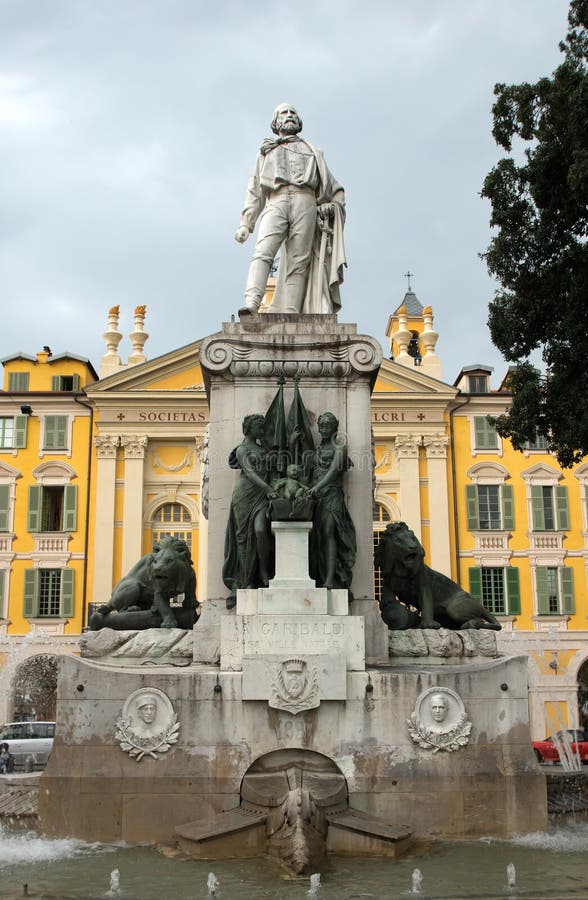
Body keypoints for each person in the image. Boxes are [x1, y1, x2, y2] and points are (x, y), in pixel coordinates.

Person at [235, 103, 346, 315]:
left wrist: (331, 206)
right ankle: (252, 303)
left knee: (299, 260)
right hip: (275, 199)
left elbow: (337, 190)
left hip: (306, 201)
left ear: (299, 121)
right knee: (263, 251)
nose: (289, 116)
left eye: (293, 113)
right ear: (275, 122)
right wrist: (246, 224)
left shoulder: (313, 152)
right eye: (284, 113)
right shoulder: (267, 152)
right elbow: (255, 189)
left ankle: (291, 312)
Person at [223, 414, 278, 597]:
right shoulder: (241, 449)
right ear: (249, 428)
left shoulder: (264, 450)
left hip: (262, 495)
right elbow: (250, 472)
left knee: (261, 531)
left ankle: (263, 571)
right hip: (245, 493)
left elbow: (270, 472)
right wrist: (268, 488)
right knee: (243, 537)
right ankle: (246, 579)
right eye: (259, 427)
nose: (262, 430)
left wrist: (272, 487)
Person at [305, 412, 356, 590]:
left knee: (329, 532)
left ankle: (330, 578)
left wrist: (318, 487)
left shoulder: (340, 448)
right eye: (322, 426)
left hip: (332, 494)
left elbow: (334, 471)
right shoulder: (317, 450)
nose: (324, 429)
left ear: (335, 427)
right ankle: (319, 574)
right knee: (317, 537)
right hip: (316, 498)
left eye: (328, 425)